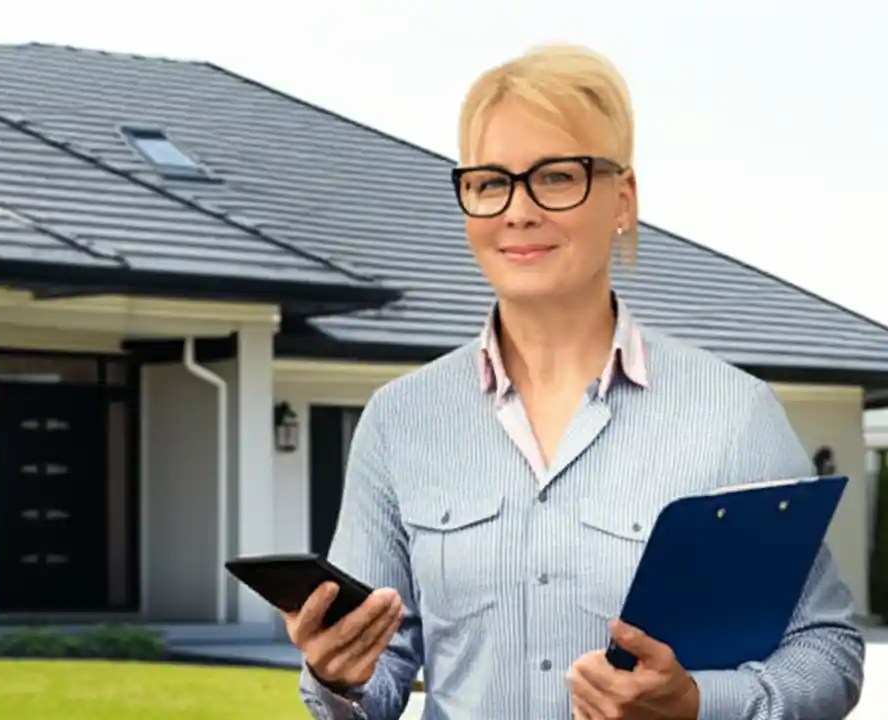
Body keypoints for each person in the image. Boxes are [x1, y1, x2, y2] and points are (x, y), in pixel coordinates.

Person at [287, 44, 865, 720]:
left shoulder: (732, 415)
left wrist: (699, 704)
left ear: (623, 199)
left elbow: (826, 649)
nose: (518, 210)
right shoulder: (400, 420)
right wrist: (336, 677)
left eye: (556, 177)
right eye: (489, 181)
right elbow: (373, 676)